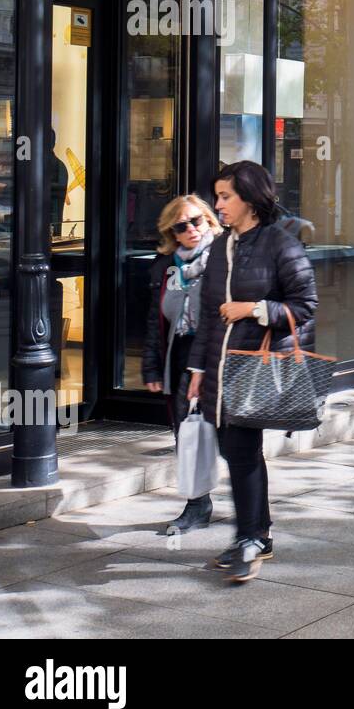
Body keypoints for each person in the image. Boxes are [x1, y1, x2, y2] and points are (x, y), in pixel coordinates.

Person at [187, 162, 317, 583]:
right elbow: (209, 314)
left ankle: (251, 537)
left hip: (256, 367)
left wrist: (255, 309)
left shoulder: (282, 244)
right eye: (218, 196)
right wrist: (196, 369)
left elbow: (305, 305)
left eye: (226, 196)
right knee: (234, 450)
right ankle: (257, 535)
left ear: (250, 199)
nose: (218, 205)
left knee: (240, 452)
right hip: (221, 368)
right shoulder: (223, 246)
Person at [143, 194, 222, 535]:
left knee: (236, 440)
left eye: (196, 221)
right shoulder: (166, 267)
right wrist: (150, 366)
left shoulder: (224, 258)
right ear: (172, 232)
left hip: (218, 358)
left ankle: (255, 514)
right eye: (181, 226)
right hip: (180, 356)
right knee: (188, 434)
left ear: (209, 220)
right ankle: (197, 504)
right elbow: (154, 320)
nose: (191, 229)